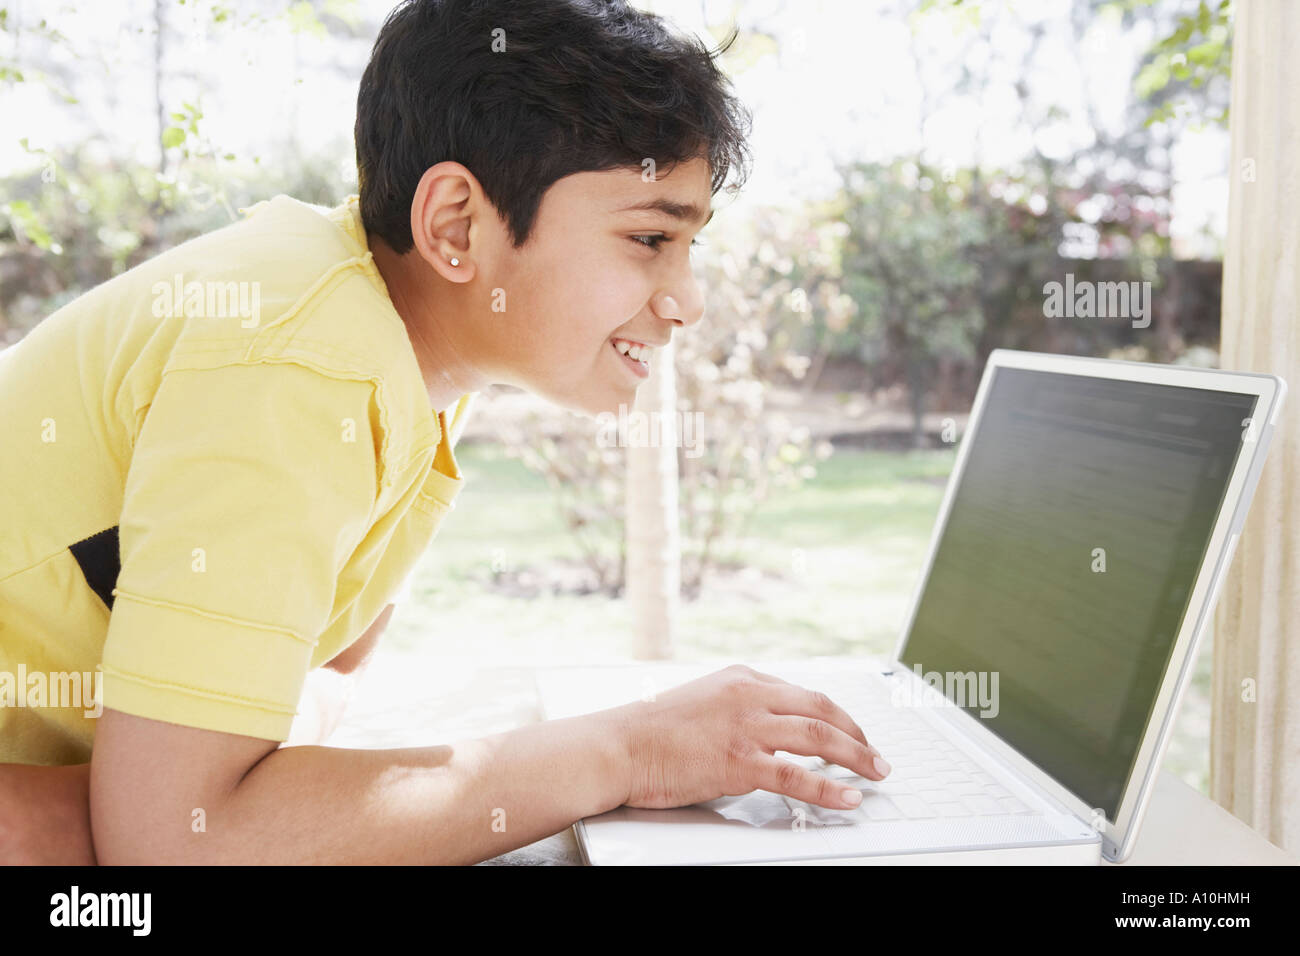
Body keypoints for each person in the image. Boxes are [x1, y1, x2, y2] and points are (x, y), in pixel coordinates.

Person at [0, 0, 889, 865]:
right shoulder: (303, 359)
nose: (686, 301)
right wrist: (633, 750)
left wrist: (224, 794)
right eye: (651, 236)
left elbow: (326, 684)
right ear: (457, 225)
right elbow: (176, 844)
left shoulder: (416, 361)